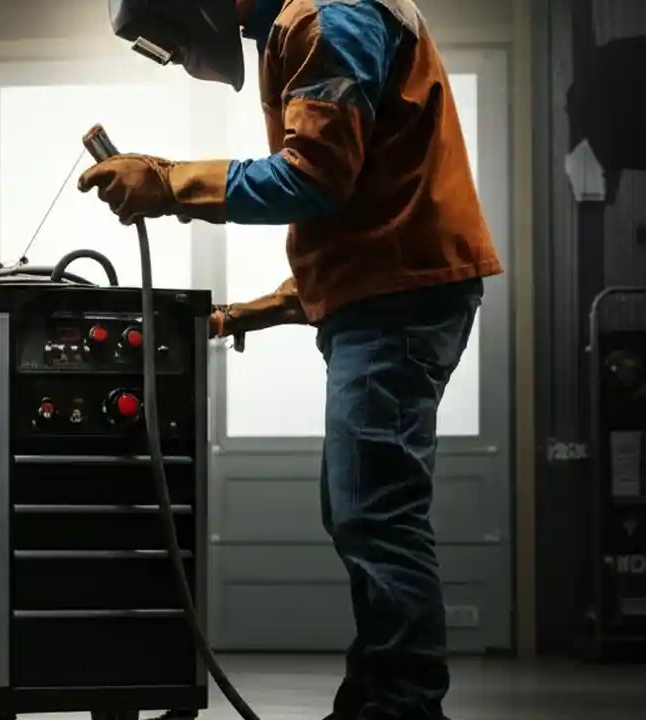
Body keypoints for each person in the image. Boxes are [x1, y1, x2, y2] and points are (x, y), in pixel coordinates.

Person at [79, 1, 503, 719]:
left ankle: (402, 706)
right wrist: (238, 315)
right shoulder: (314, 20)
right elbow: (357, 230)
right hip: (391, 295)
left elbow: (313, 179)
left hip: (400, 302)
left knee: (376, 514)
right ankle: (374, 696)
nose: (185, 54)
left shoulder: (325, 17)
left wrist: (168, 181)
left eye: (177, 36)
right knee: (359, 511)